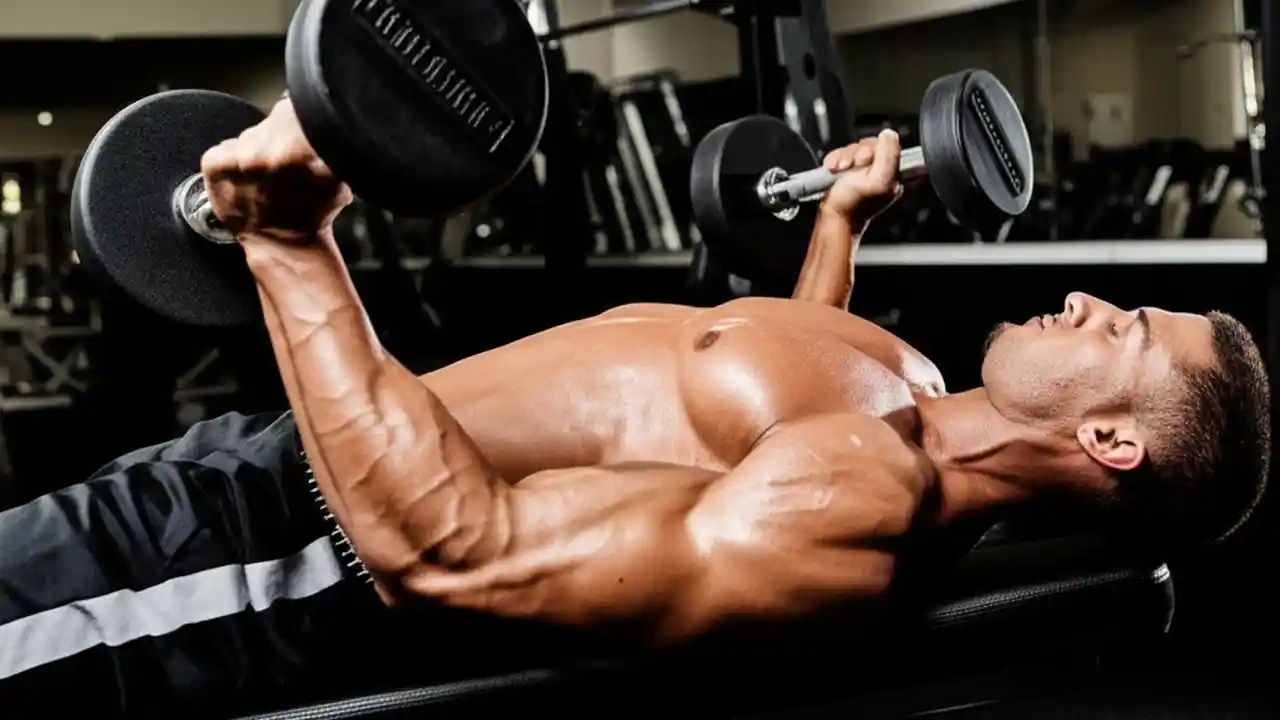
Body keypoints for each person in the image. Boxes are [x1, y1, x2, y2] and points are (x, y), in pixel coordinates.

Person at [0, 98, 1270, 717]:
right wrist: (831, 231)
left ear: (1112, 440)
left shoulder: (856, 514)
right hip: (264, 476)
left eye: (1127, 331)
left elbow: (452, 552)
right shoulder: (912, 399)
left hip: (270, 552)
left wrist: (287, 246)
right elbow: (762, 405)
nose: (1093, 298)